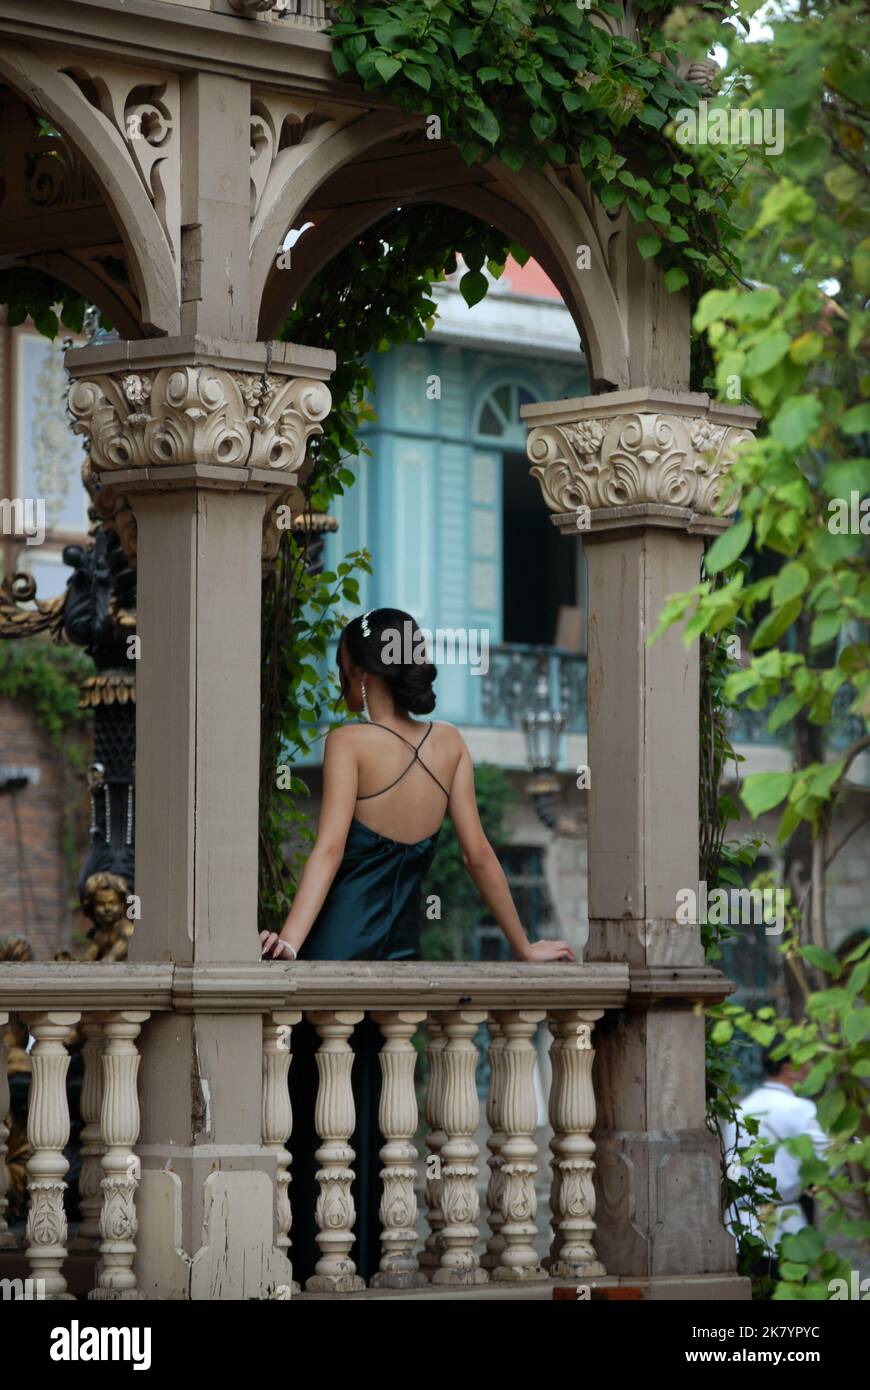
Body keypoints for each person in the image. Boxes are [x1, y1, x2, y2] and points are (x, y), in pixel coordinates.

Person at [259, 606, 576, 1286]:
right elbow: (480, 855)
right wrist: (523, 947)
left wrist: (288, 940)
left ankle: (315, 1267)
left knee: (320, 1120)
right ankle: (377, 1261)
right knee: (378, 1117)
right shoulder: (451, 744)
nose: (341, 681)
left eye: (344, 669)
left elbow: (331, 848)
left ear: (364, 674)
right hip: (397, 961)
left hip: (334, 955)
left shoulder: (350, 742)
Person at [723, 1047, 828, 1282]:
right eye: (807, 1061)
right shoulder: (799, 1110)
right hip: (784, 1228)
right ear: (789, 1069)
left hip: (740, 1227)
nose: (812, 1069)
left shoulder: (741, 1109)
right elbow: (829, 1160)